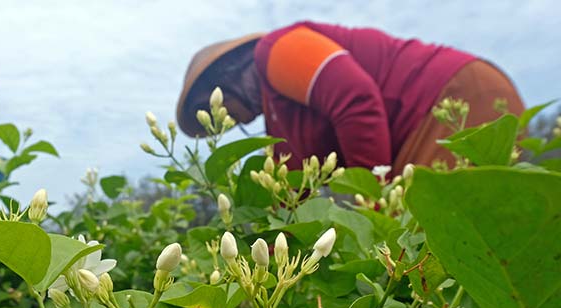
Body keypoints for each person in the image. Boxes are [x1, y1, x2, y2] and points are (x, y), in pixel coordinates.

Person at [176, 21, 524, 176]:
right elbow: (292, 191)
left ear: (224, 79)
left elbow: (357, 101)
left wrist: (372, 198)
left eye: (217, 109)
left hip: (453, 99)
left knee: (448, 245)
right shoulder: (282, 116)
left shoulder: (277, 49)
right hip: (440, 112)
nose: (231, 121)